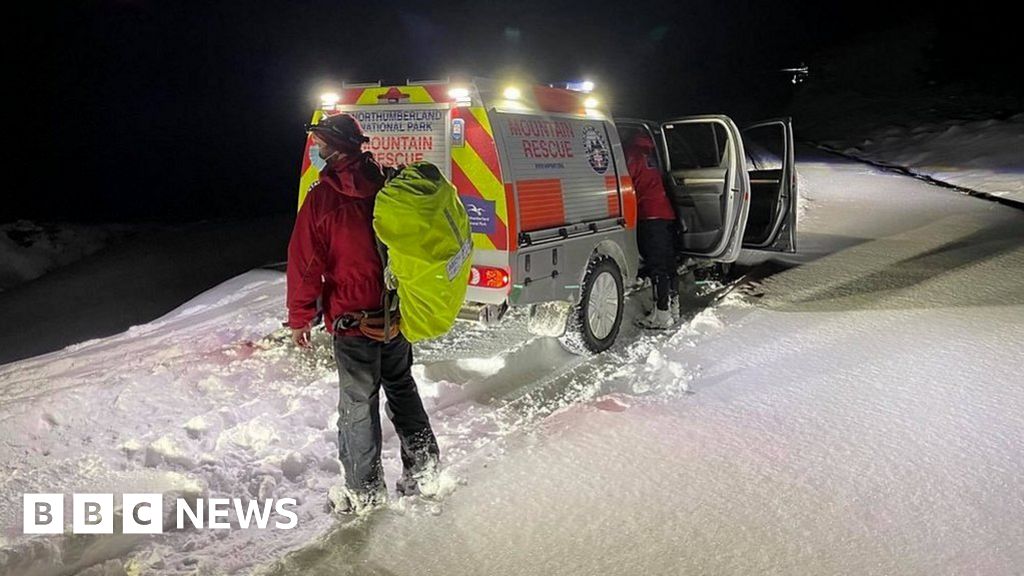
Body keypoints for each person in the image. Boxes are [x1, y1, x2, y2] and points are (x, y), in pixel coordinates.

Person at [287, 113, 440, 514]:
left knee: (357, 406)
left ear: (335, 149)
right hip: (394, 315)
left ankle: (364, 491)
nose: (318, 152)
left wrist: (300, 316)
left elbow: (305, 264)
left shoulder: (322, 199)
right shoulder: (388, 184)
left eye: (321, 146)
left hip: (352, 322)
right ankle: (425, 470)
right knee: (402, 388)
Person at [626, 132, 678, 329]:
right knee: (668, 263)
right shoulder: (651, 154)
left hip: (649, 214)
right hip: (665, 212)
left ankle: (661, 316)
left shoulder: (632, 153)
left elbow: (625, 179)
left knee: (657, 266)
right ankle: (673, 308)